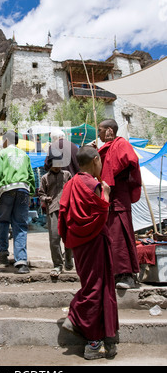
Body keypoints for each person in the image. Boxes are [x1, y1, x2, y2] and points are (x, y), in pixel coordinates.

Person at [58, 145, 119, 360]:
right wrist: (107, 195)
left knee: (91, 284)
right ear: (95, 160)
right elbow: (100, 216)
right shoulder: (94, 185)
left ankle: (99, 333)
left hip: (79, 244)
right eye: (100, 161)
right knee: (96, 288)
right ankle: (89, 337)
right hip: (94, 242)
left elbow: (63, 215)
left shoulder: (71, 184)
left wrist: (70, 241)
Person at [98, 119, 142, 289]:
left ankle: (126, 274)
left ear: (109, 130)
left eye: (101, 131)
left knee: (120, 235)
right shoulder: (107, 147)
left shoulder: (121, 145)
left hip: (119, 197)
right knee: (111, 236)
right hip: (109, 197)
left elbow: (124, 162)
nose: (100, 135)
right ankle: (114, 273)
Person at [0, 130, 36, 274]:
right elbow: (30, 176)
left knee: (2, 221)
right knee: (20, 224)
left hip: (7, 190)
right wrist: (31, 193)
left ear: (5, 141)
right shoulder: (24, 155)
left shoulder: (2, 154)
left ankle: (3, 253)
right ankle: (21, 262)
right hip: (23, 190)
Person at [38, 163, 72, 277]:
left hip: (67, 209)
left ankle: (68, 258)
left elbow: (73, 189)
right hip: (52, 209)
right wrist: (45, 198)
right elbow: (41, 193)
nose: (57, 167)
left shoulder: (67, 175)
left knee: (68, 237)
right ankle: (57, 264)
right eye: (55, 165)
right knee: (54, 238)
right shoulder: (45, 178)